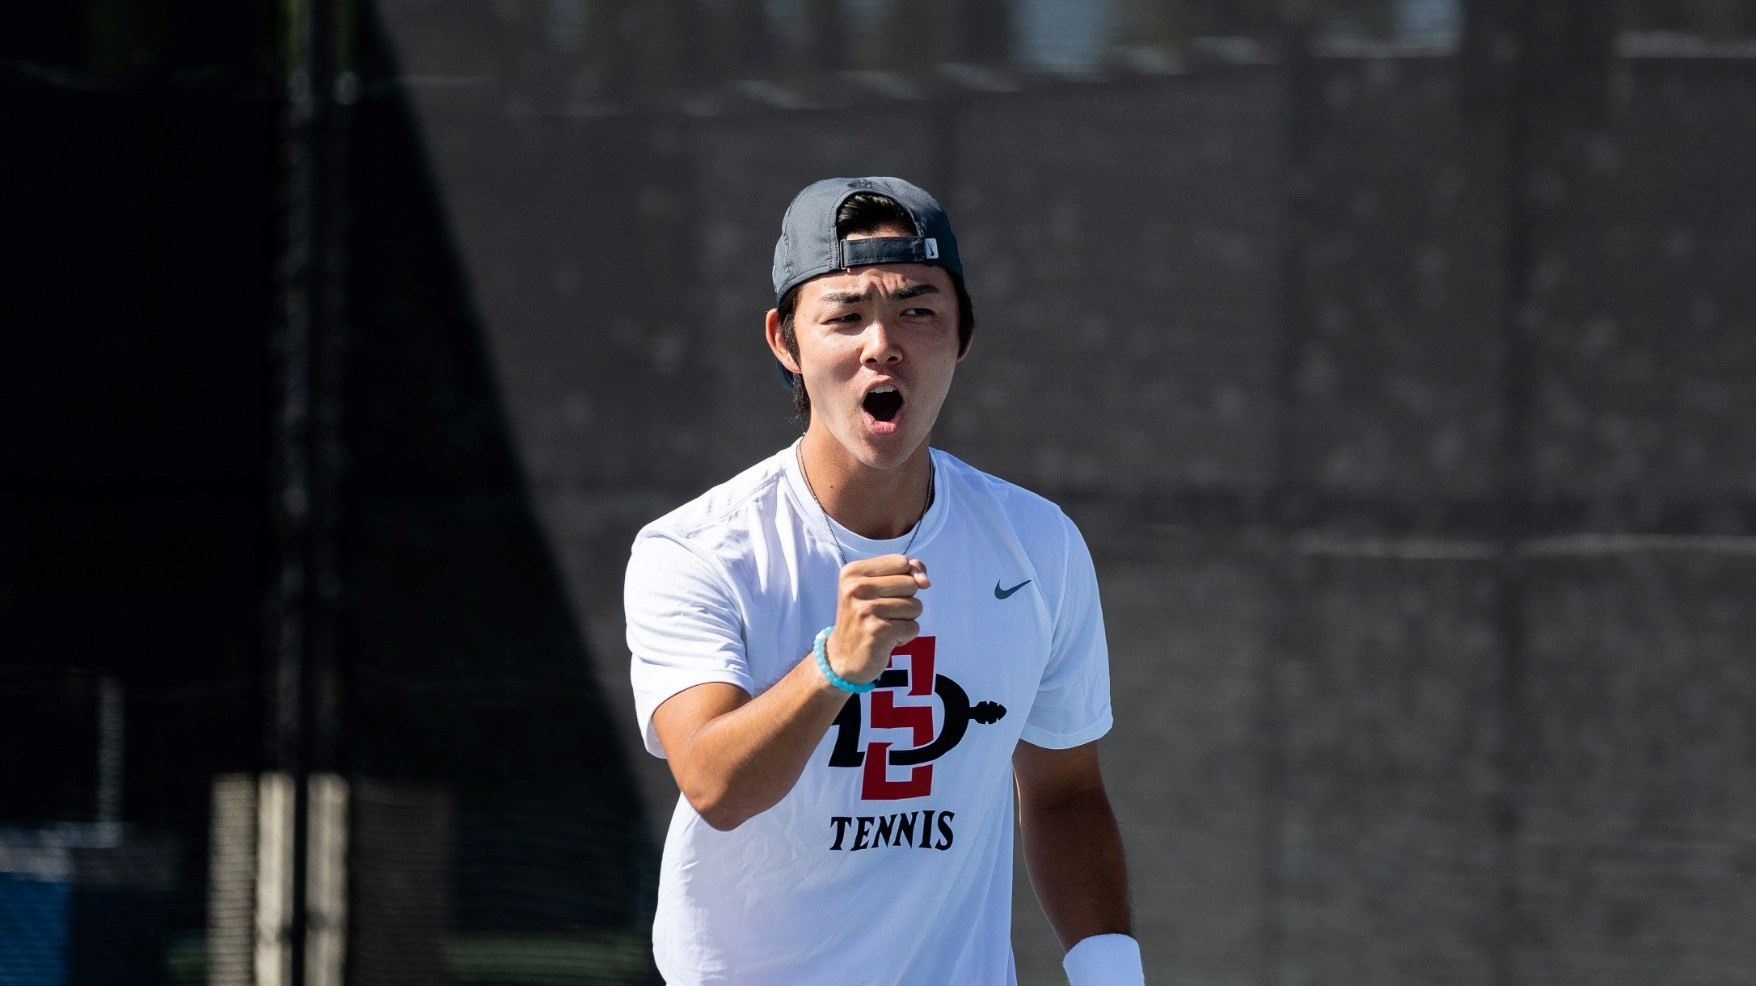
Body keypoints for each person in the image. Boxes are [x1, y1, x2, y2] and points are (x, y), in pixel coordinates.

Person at [625, 176, 1143, 985]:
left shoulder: (1039, 546)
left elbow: (1066, 792)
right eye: (844, 315)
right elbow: (714, 786)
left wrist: (1114, 976)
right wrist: (834, 667)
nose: (882, 344)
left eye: (917, 310)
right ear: (785, 341)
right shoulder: (693, 552)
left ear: (963, 335)